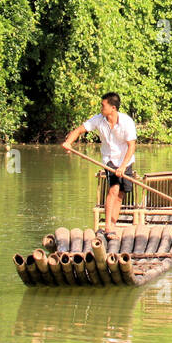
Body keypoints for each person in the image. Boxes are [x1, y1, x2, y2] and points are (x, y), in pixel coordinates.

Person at [62, 92, 137, 237]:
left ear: (113, 108)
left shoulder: (127, 122)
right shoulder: (98, 119)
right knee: (113, 190)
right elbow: (79, 130)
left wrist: (123, 167)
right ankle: (108, 227)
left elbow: (131, 146)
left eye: (103, 105)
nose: (101, 108)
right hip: (109, 160)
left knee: (121, 193)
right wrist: (68, 142)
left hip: (126, 160)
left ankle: (113, 225)